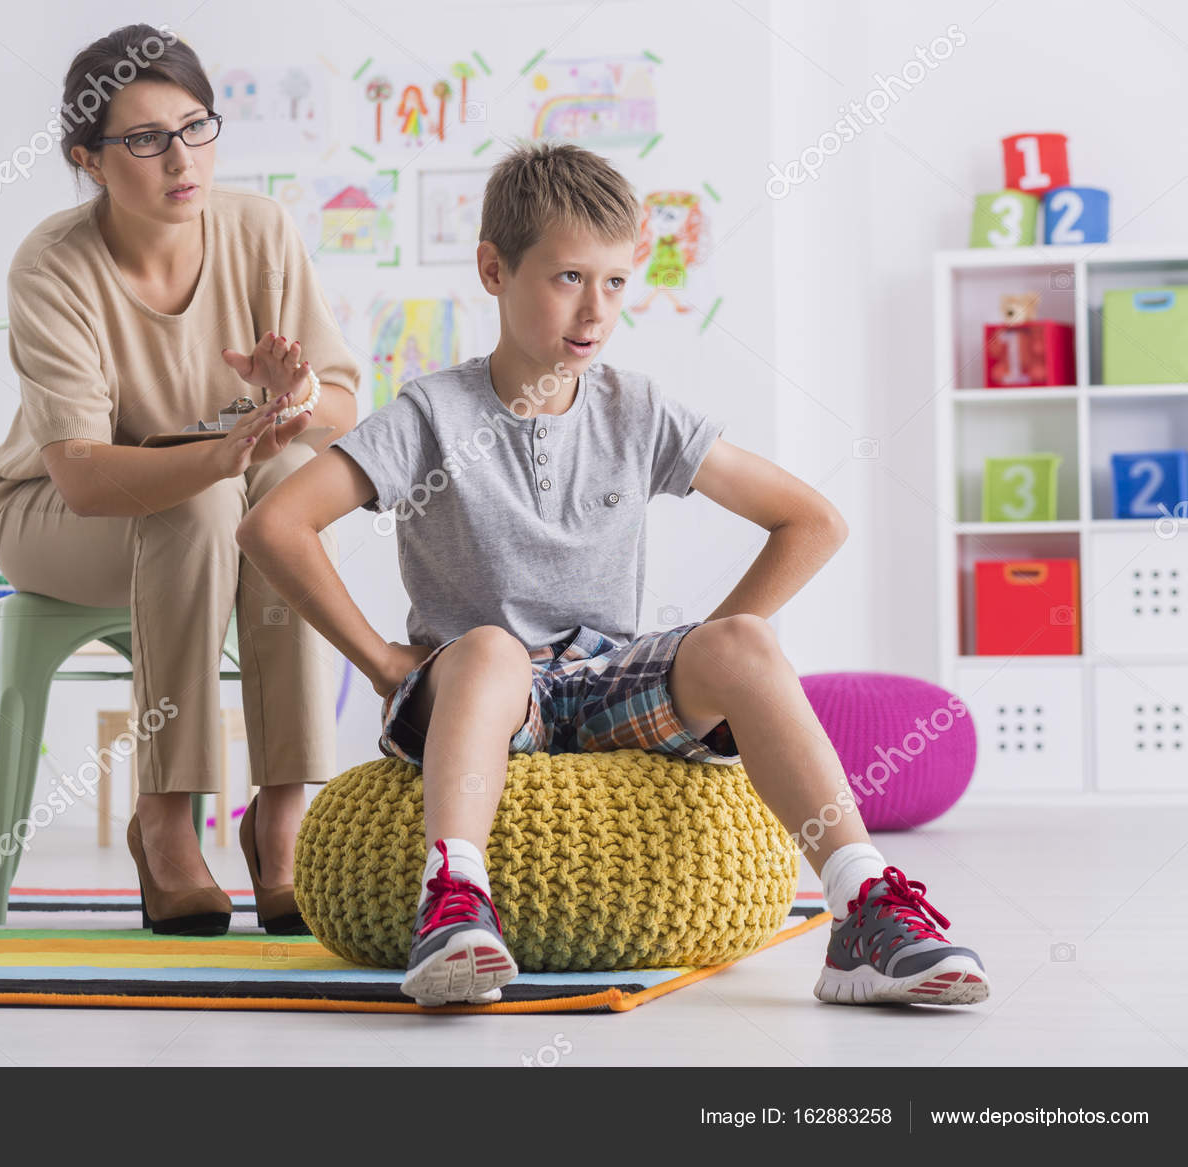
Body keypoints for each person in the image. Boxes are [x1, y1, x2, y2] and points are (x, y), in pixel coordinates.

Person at [237, 140, 989, 1007]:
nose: (594, 309)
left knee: (743, 641)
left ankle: (861, 906)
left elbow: (811, 521)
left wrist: (707, 646)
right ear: (494, 269)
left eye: (617, 281)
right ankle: (453, 902)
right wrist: (380, 661)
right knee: (490, 650)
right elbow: (275, 525)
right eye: (566, 278)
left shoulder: (639, 410)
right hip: (481, 691)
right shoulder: (432, 413)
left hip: (604, 681)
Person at [0, 25, 358, 936]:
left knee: (280, 496)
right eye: (145, 140)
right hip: (58, 519)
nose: (181, 160)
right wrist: (230, 450)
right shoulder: (53, 262)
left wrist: (291, 402)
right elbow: (79, 476)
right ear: (90, 160)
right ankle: (166, 817)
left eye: (196, 128)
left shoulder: (260, 230)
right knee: (203, 499)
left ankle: (280, 812)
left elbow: (343, 401)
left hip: (214, 499)